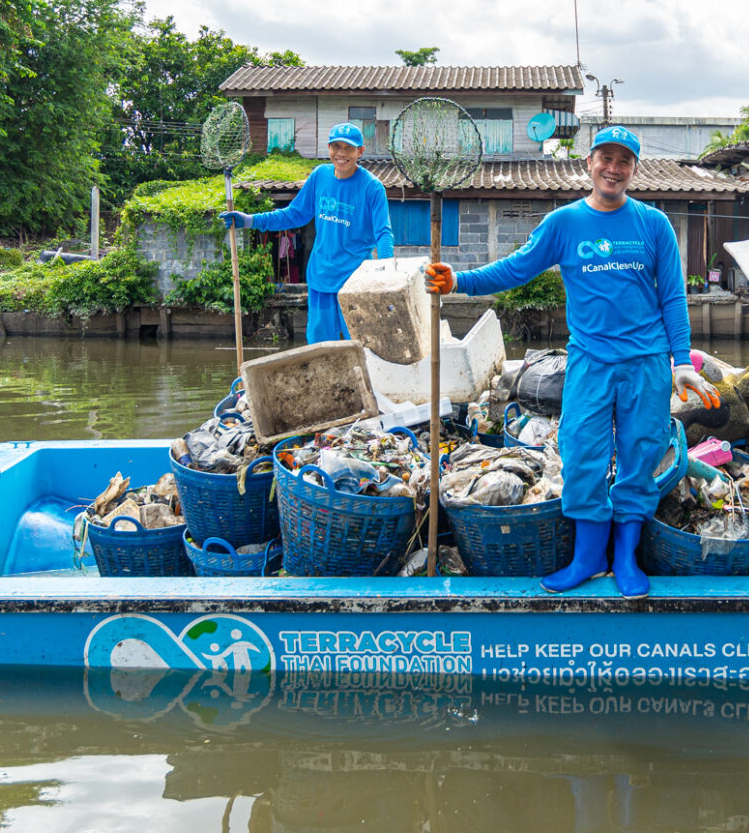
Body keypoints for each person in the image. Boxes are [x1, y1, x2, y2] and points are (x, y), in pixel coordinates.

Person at [424, 126, 719, 599]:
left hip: (646, 364)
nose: (613, 169)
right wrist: (459, 279)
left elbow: (674, 299)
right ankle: (586, 558)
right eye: (605, 158)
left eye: (624, 161)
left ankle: (624, 559)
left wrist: (680, 362)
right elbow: (516, 267)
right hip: (590, 362)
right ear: (589, 163)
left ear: (634, 170)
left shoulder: (654, 224)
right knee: (582, 455)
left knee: (641, 456)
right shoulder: (564, 224)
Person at [220, 123, 394, 343]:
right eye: (336, 146)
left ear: (360, 151)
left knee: (364, 346)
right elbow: (294, 215)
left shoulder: (372, 187)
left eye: (348, 148)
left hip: (356, 282)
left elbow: (383, 233)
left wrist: (390, 276)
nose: (341, 154)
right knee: (321, 352)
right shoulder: (320, 176)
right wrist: (251, 221)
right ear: (329, 148)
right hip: (321, 278)